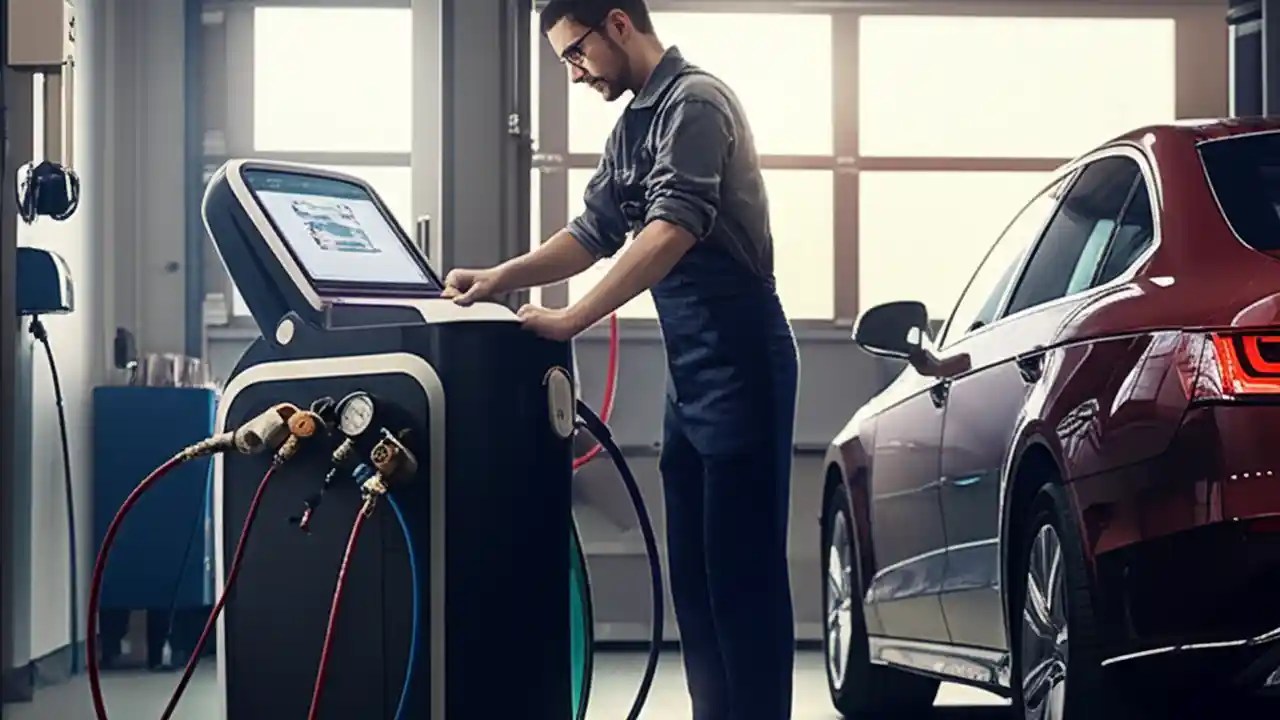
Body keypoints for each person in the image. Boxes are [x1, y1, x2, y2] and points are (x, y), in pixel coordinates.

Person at [442, 2, 799, 718]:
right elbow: (593, 231)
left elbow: (671, 229)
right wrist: (498, 279)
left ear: (617, 23)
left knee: (742, 581)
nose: (573, 73)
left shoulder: (696, 103)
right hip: (691, 375)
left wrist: (571, 317)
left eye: (576, 53)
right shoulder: (634, 125)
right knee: (696, 585)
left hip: (744, 363)